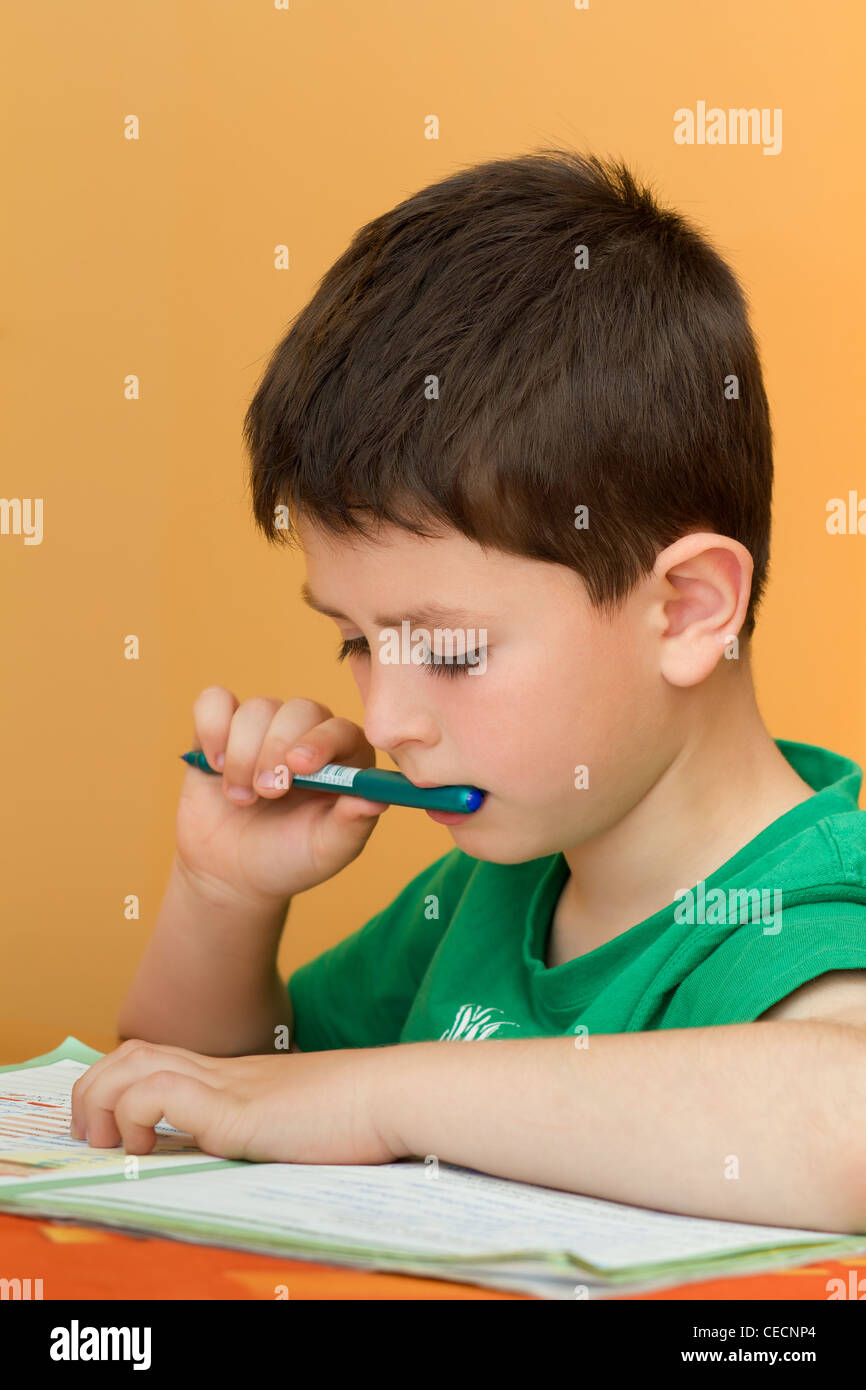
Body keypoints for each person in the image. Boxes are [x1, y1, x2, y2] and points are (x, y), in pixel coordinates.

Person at [73, 149, 866, 1232]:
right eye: (353, 638)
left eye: (446, 651)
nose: (390, 719)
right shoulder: (494, 886)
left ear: (684, 609)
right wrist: (223, 898)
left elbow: (843, 1121)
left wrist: (377, 1093)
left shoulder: (805, 908)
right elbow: (194, 1098)